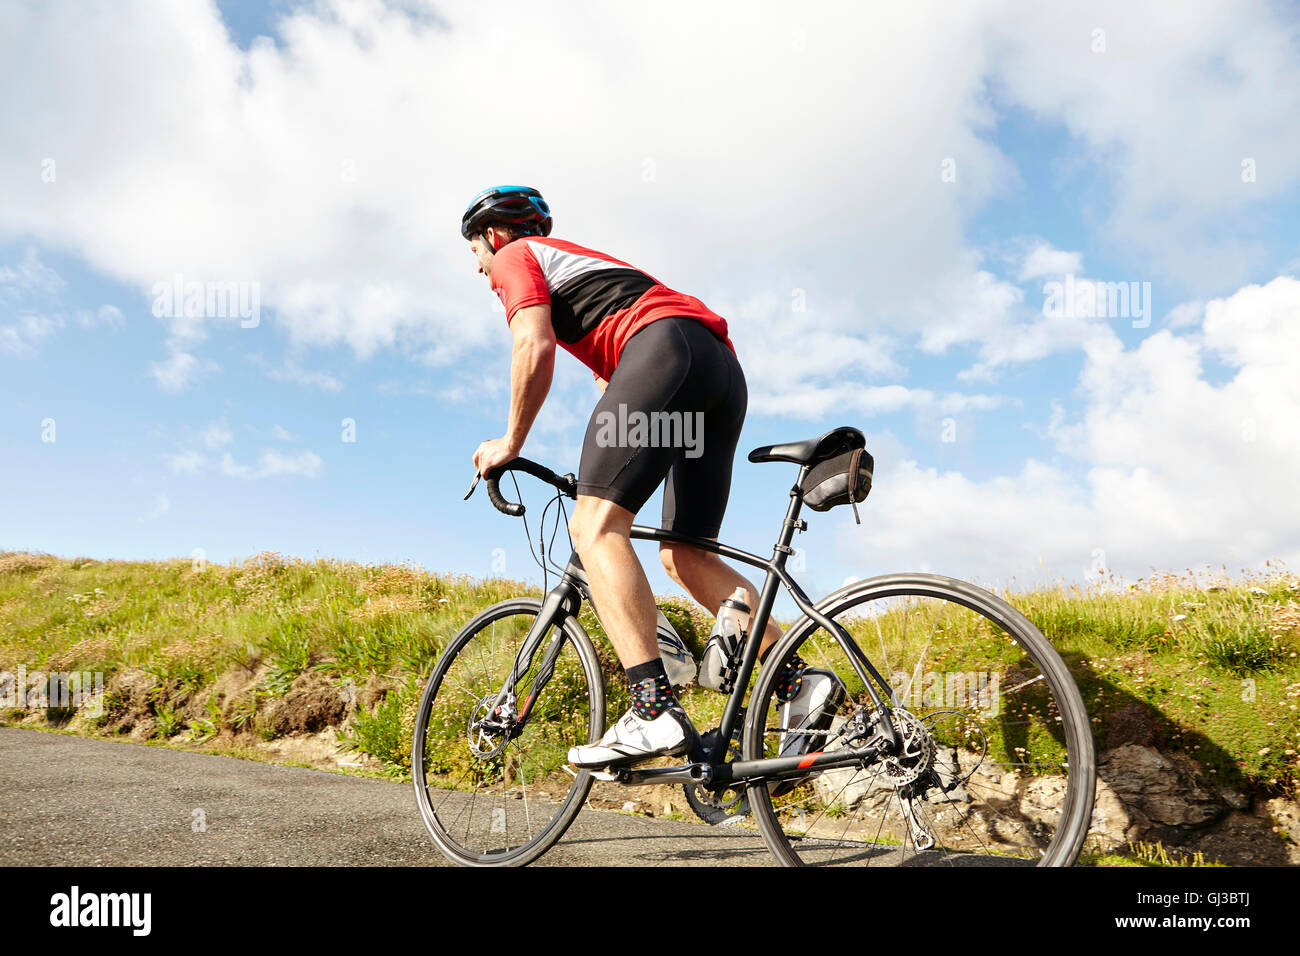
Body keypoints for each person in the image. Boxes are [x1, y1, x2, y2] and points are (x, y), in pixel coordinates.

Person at [465, 185, 842, 768]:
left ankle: (651, 710)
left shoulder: (519, 255)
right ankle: (799, 684)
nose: (483, 273)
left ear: (494, 234)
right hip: (716, 370)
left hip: (664, 352)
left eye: (477, 257)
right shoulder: (593, 276)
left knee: (593, 528)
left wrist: (510, 442)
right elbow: (620, 391)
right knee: (684, 554)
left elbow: (533, 344)